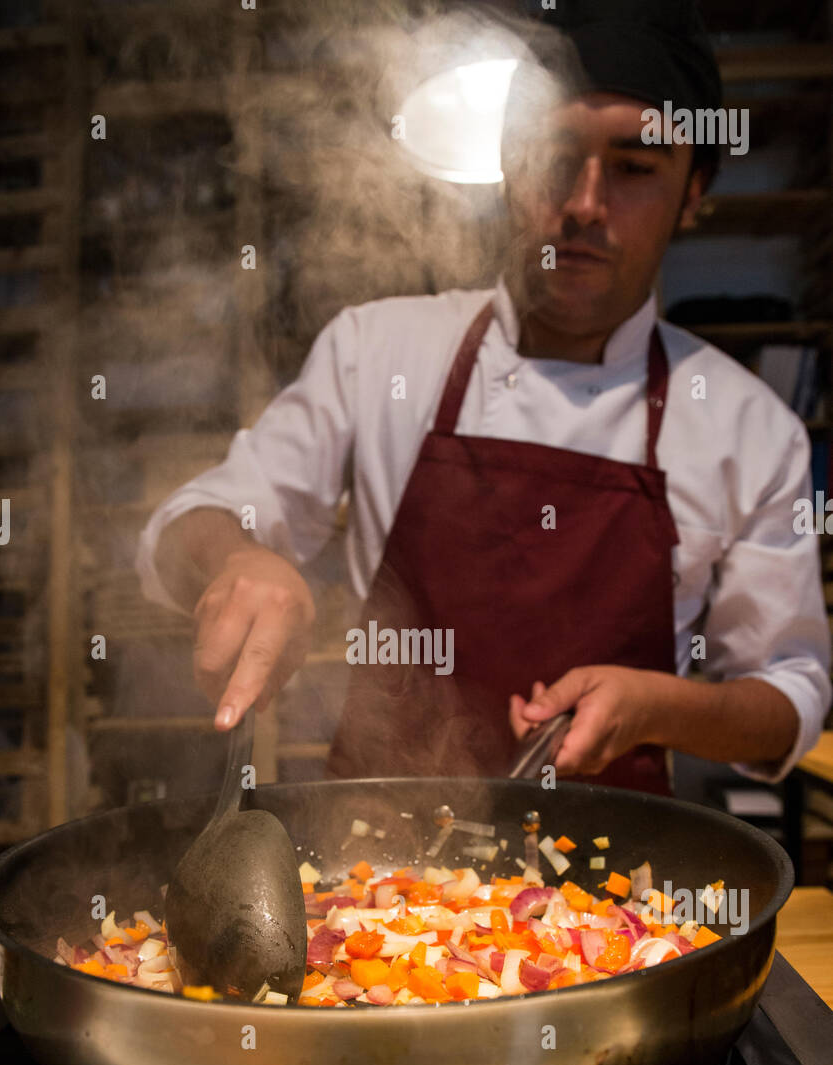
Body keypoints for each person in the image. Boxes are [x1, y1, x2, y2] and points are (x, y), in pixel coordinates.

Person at [136, 0, 831, 792]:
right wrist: (237, 558)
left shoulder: (748, 426)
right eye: (553, 157)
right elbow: (192, 518)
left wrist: (658, 707)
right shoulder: (380, 350)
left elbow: (789, 694)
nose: (583, 206)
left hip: (621, 895)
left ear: (693, 192)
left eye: (636, 169)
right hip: (379, 878)